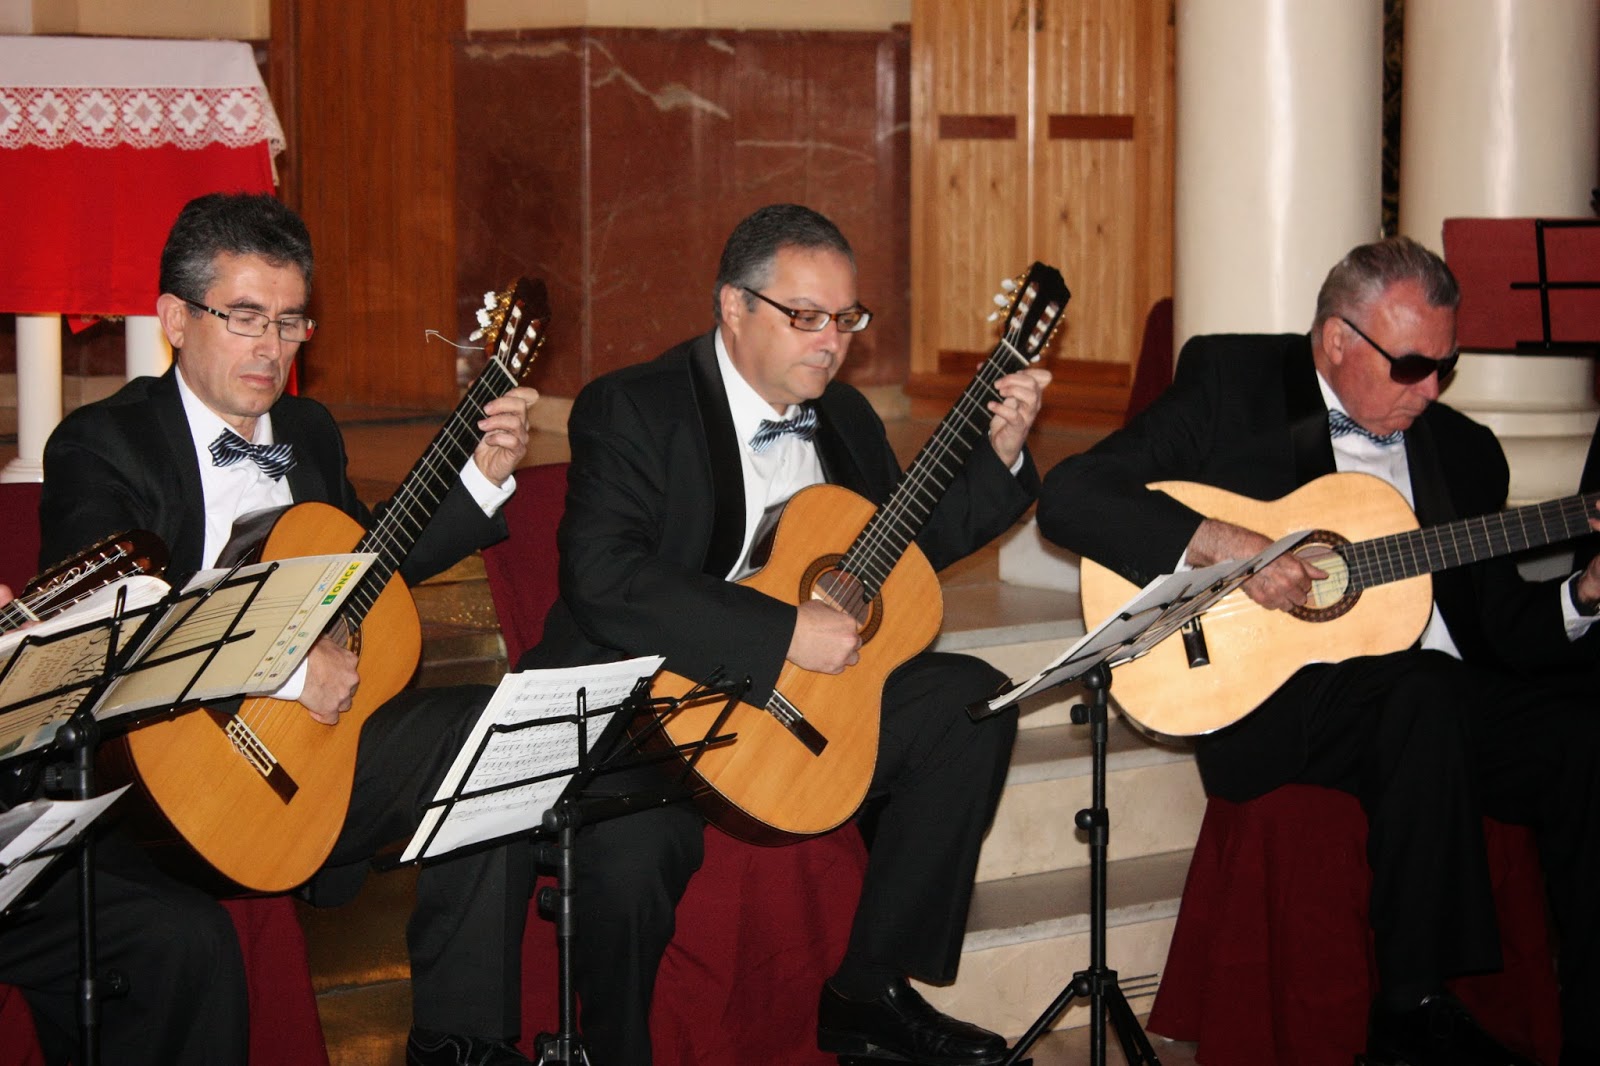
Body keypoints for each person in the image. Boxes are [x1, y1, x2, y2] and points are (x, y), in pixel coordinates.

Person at [1037, 235, 1600, 1066]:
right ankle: (1410, 1004)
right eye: (1412, 366)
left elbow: (1504, 629)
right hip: (1274, 706)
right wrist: (1222, 542)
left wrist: (1583, 598)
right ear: (1338, 340)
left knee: (1581, 736)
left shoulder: (1465, 450)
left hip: (1428, 710)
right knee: (1424, 690)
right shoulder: (1232, 384)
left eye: (1448, 366)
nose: (1432, 389)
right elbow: (1072, 496)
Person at [519, 203, 1049, 1065]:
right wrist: (781, 632)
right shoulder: (633, 407)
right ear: (733, 307)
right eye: (805, 316)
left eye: (846, 319)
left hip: (796, 709)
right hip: (648, 710)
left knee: (968, 702)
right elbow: (606, 577)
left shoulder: (843, 419)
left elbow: (896, 559)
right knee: (628, 856)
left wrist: (1001, 455)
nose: (830, 340)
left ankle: (868, 987)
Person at [34, 192, 541, 1066]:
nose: (271, 348)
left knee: (499, 734)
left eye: (291, 321)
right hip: (163, 780)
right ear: (173, 320)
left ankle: (463, 1045)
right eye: (244, 317)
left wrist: (481, 481)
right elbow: (108, 627)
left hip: (311, 757)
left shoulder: (307, 432)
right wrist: (284, 669)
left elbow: (363, 566)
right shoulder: (101, 444)